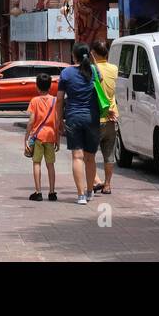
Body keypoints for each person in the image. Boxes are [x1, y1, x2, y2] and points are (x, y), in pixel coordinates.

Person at [54, 42, 100, 204]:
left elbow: (59, 99)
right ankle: (89, 192)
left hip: (73, 117)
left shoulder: (66, 73)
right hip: (92, 118)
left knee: (77, 156)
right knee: (90, 157)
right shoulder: (94, 71)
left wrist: (59, 120)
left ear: (73, 56)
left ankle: (80, 195)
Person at [90, 39, 118, 195]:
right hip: (112, 117)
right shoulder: (114, 69)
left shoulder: (91, 70)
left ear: (93, 53)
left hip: (96, 118)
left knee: (90, 154)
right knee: (109, 154)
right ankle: (107, 185)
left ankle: (96, 180)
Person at [25, 73, 58, 202]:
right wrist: (58, 139)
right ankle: (52, 192)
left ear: (37, 87)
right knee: (50, 165)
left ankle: (38, 192)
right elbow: (57, 121)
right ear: (50, 87)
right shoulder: (55, 100)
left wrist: (27, 137)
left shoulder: (34, 101)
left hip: (37, 136)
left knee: (36, 163)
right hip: (50, 136)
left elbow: (31, 120)